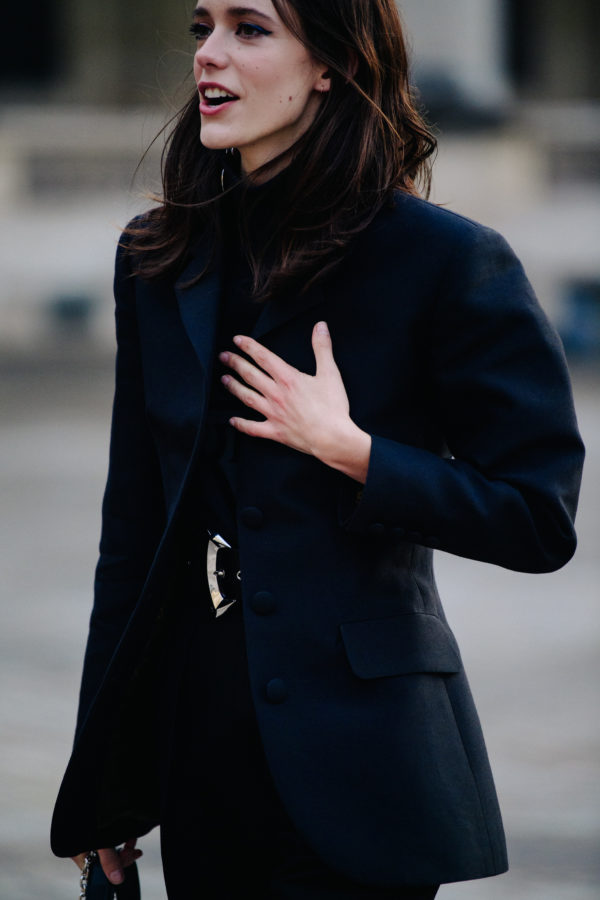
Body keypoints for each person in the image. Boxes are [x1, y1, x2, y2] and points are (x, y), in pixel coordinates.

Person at [51, 1, 585, 897]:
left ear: (332, 65)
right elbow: (131, 537)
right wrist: (101, 780)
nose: (210, 56)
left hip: (368, 763)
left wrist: (354, 451)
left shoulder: (448, 261)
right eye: (203, 29)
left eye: (250, 29)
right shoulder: (156, 254)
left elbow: (539, 517)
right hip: (202, 751)